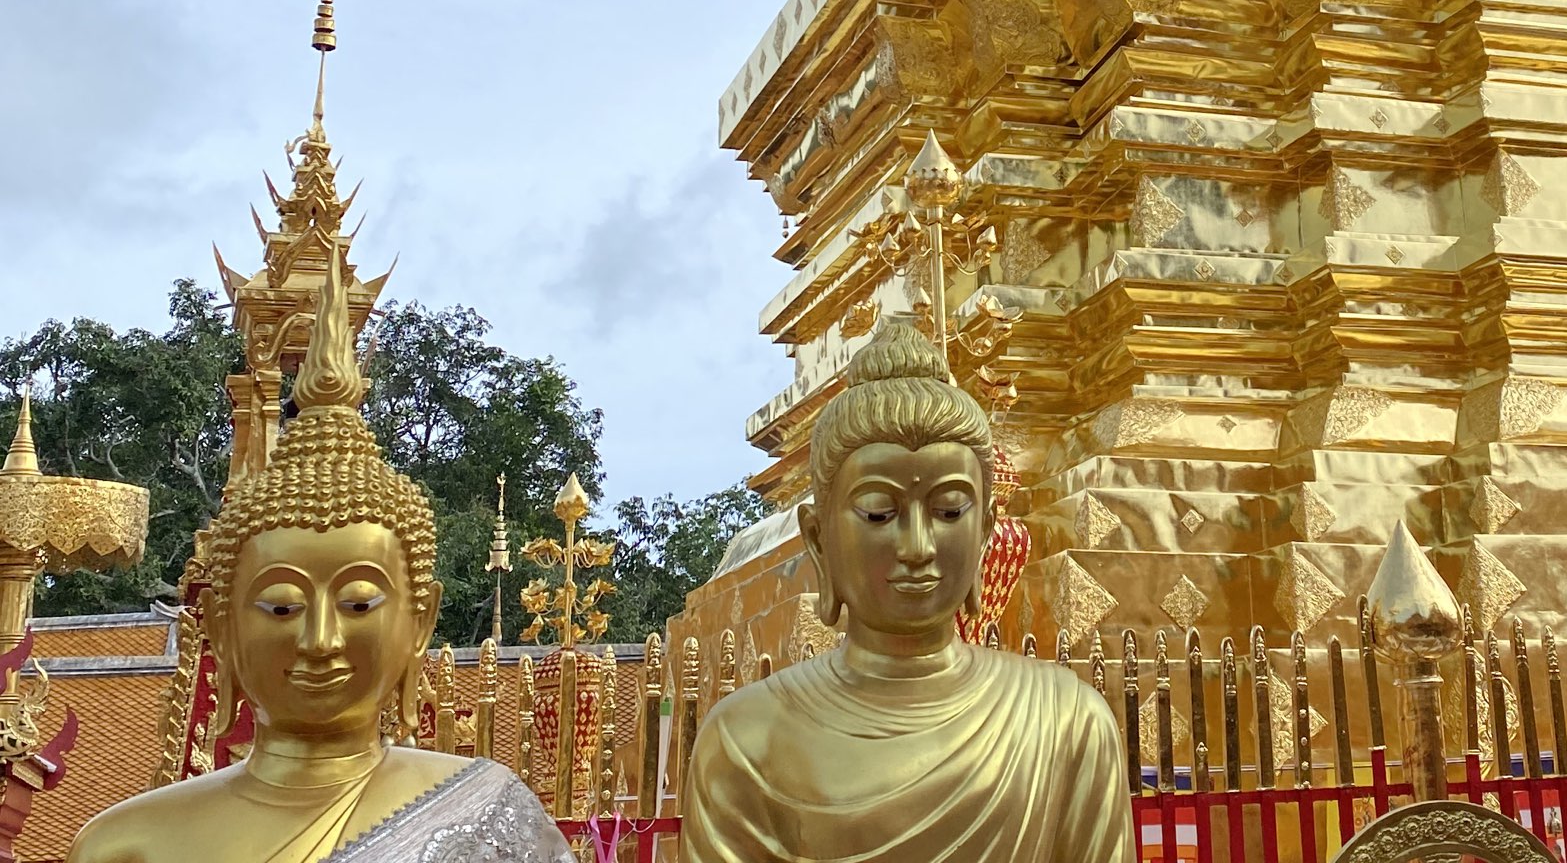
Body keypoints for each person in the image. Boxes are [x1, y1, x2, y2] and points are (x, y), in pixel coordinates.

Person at [71, 247, 568, 863]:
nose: (321, 639)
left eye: (360, 602)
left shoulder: (490, 813)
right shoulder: (130, 846)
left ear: (422, 618)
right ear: (220, 624)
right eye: (281, 607)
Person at [680, 317, 1134, 863]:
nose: (917, 545)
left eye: (948, 510)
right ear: (818, 539)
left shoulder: (1068, 723)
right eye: (878, 512)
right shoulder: (746, 741)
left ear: (987, 530)